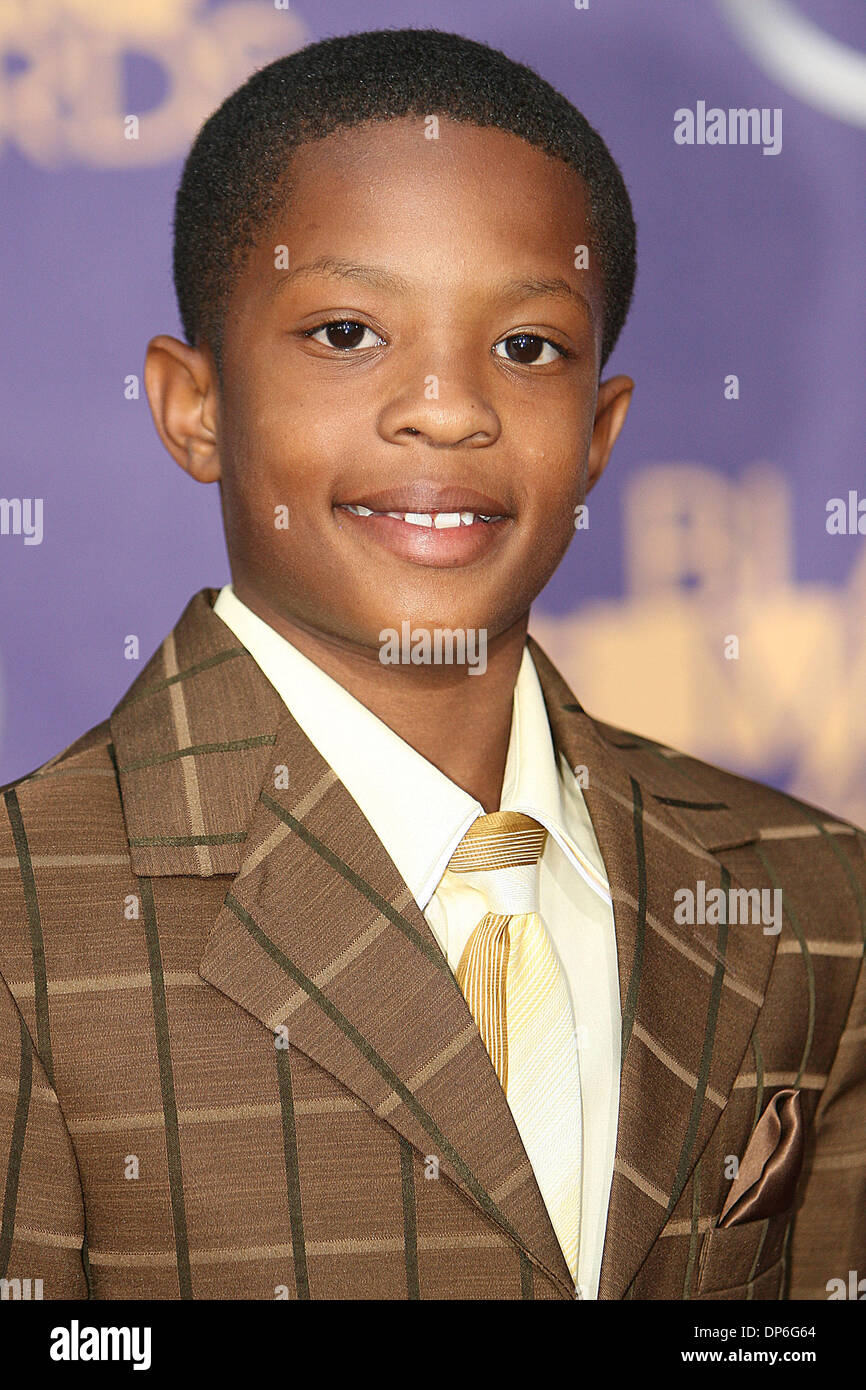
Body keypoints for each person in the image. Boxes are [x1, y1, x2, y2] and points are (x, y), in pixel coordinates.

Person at [1, 28, 863, 1302]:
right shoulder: (27, 926)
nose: (447, 407)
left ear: (598, 436)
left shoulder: (811, 896)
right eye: (348, 332)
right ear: (195, 405)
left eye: (525, 349)